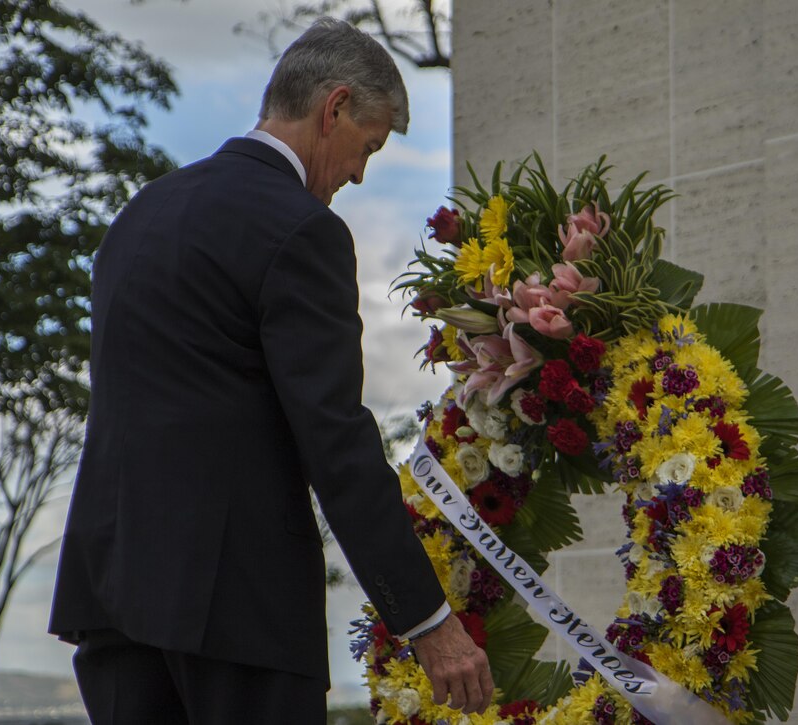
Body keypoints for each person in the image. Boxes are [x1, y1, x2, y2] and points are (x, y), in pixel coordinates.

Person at [49, 18, 493, 724]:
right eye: (367, 147)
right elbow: (336, 441)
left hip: (112, 597)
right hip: (236, 615)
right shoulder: (301, 229)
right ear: (335, 107)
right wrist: (428, 619)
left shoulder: (140, 214)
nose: (358, 173)